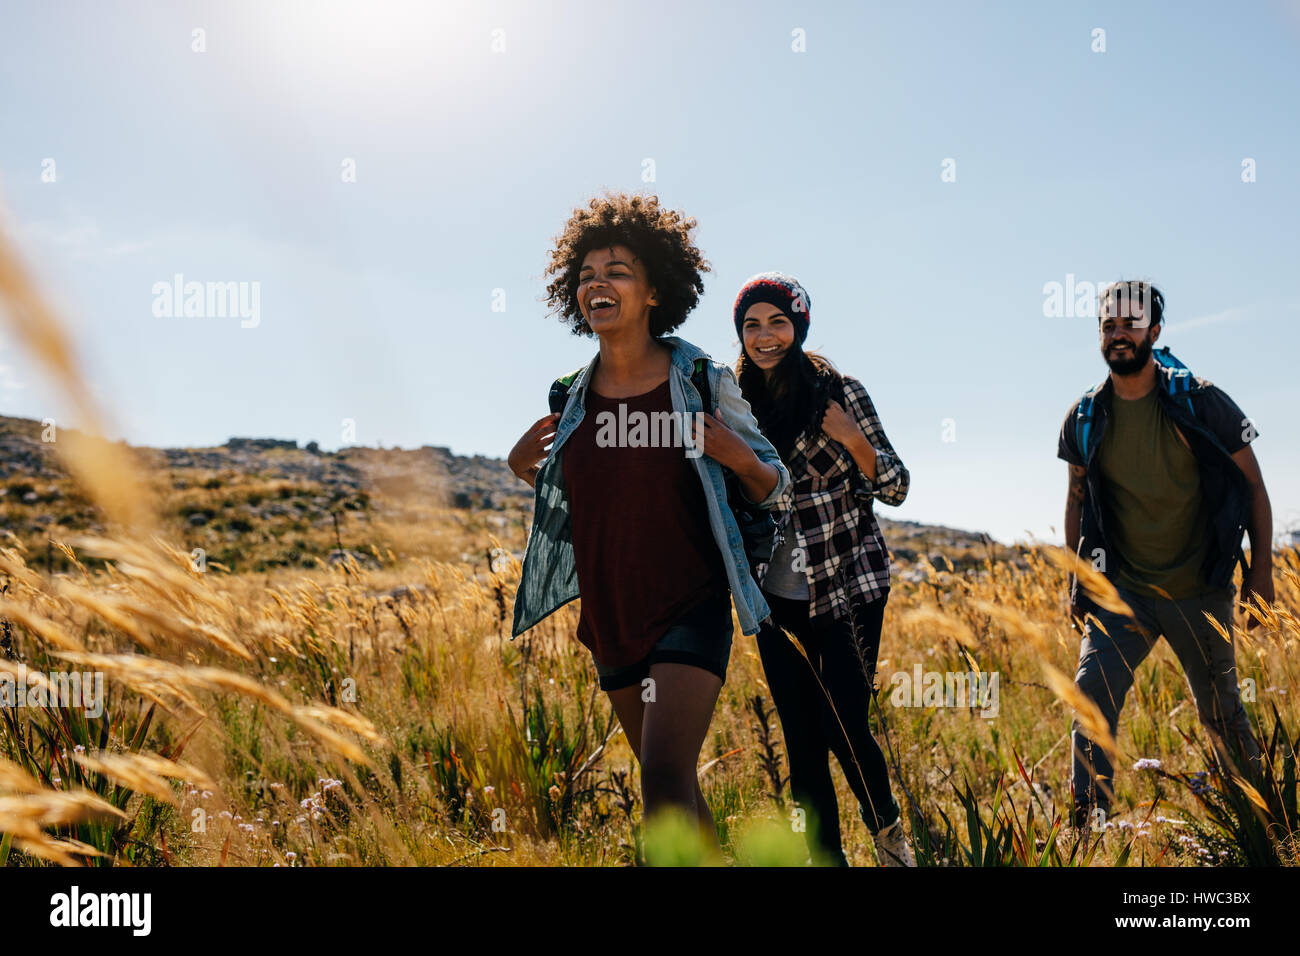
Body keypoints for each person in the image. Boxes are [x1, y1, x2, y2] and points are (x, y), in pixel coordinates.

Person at [507, 193, 790, 857]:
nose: (596, 284)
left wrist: (739, 457)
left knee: (661, 779)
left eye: (617, 271)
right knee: (675, 786)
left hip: (689, 604)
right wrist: (526, 470)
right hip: (610, 612)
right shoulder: (567, 396)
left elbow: (776, 486)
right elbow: (588, 497)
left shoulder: (698, 378)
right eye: (584, 275)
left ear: (656, 289)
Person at [1058, 280, 1273, 830]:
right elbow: (1077, 499)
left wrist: (1262, 576)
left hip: (1197, 588)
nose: (1118, 333)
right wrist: (1080, 579)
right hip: (1123, 592)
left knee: (1222, 714)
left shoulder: (1201, 402)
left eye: (1130, 324)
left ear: (1154, 332)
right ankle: (1088, 831)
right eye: (1108, 325)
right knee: (1091, 701)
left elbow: (1253, 488)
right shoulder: (1085, 416)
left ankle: (1263, 828)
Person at [732, 271, 914, 867]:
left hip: (848, 587)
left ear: (799, 326)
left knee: (845, 724)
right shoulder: (733, 404)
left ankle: (888, 838)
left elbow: (897, 487)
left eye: (777, 322)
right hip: (775, 600)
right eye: (752, 325)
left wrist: (853, 439)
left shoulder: (841, 393)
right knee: (802, 742)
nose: (765, 337)